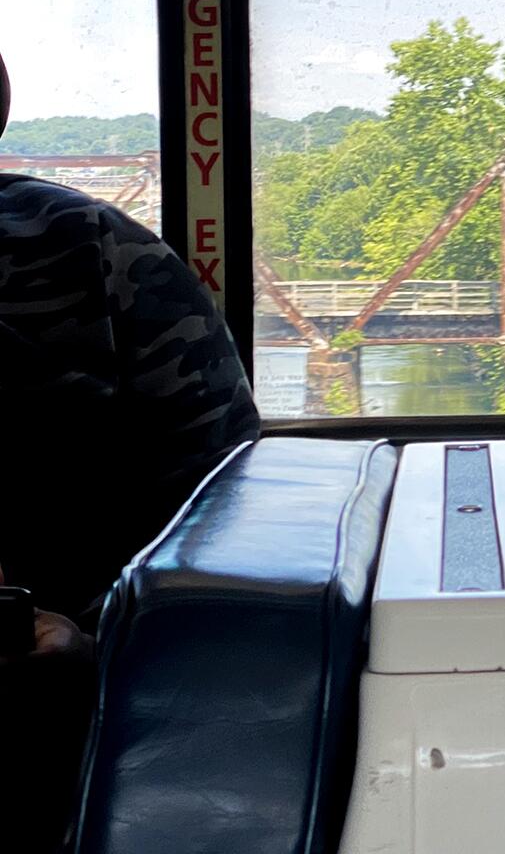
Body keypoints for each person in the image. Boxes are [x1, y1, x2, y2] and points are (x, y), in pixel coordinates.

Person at [0, 49, 260, 850]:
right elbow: (232, 508)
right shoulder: (92, 248)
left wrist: (80, 642)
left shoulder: (88, 249)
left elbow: (224, 516)